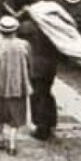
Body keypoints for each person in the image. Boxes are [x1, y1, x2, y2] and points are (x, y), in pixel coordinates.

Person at [0, 16, 31, 155]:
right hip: (19, 84)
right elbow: (29, 63)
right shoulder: (24, 45)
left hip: (0, 83)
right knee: (16, 115)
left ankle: (0, 138)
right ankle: (12, 144)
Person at [20, 13, 58, 141]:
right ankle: (51, 120)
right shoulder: (51, 28)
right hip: (50, 66)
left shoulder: (27, 27)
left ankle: (41, 127)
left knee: (37, 95)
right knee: (46, 92)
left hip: (36, 66)